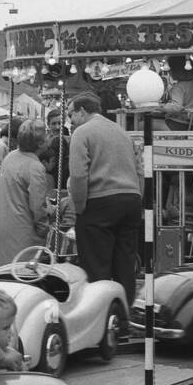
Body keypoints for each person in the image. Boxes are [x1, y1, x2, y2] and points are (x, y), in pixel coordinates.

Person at [68, 91, 142, 302]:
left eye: (71, 115)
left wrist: (79, 207)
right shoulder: (122, 133)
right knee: (125, 265)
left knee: (96, 266)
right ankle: (123, 317)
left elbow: (78, 175)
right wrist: (137, 197)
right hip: (130, 200)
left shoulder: (83, 133)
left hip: (100, 201)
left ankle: (100, 319)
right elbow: (138, 170)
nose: (70, 121)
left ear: (82, 111)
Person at [0, 119, 51, 271]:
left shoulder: (11, 157)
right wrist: (44, 228)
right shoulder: (35, 167)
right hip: (21, 231)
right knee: (19, 275)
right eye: (47, 137)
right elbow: (37, 207)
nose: (49, 140)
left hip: (2, 224)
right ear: (39, 143)